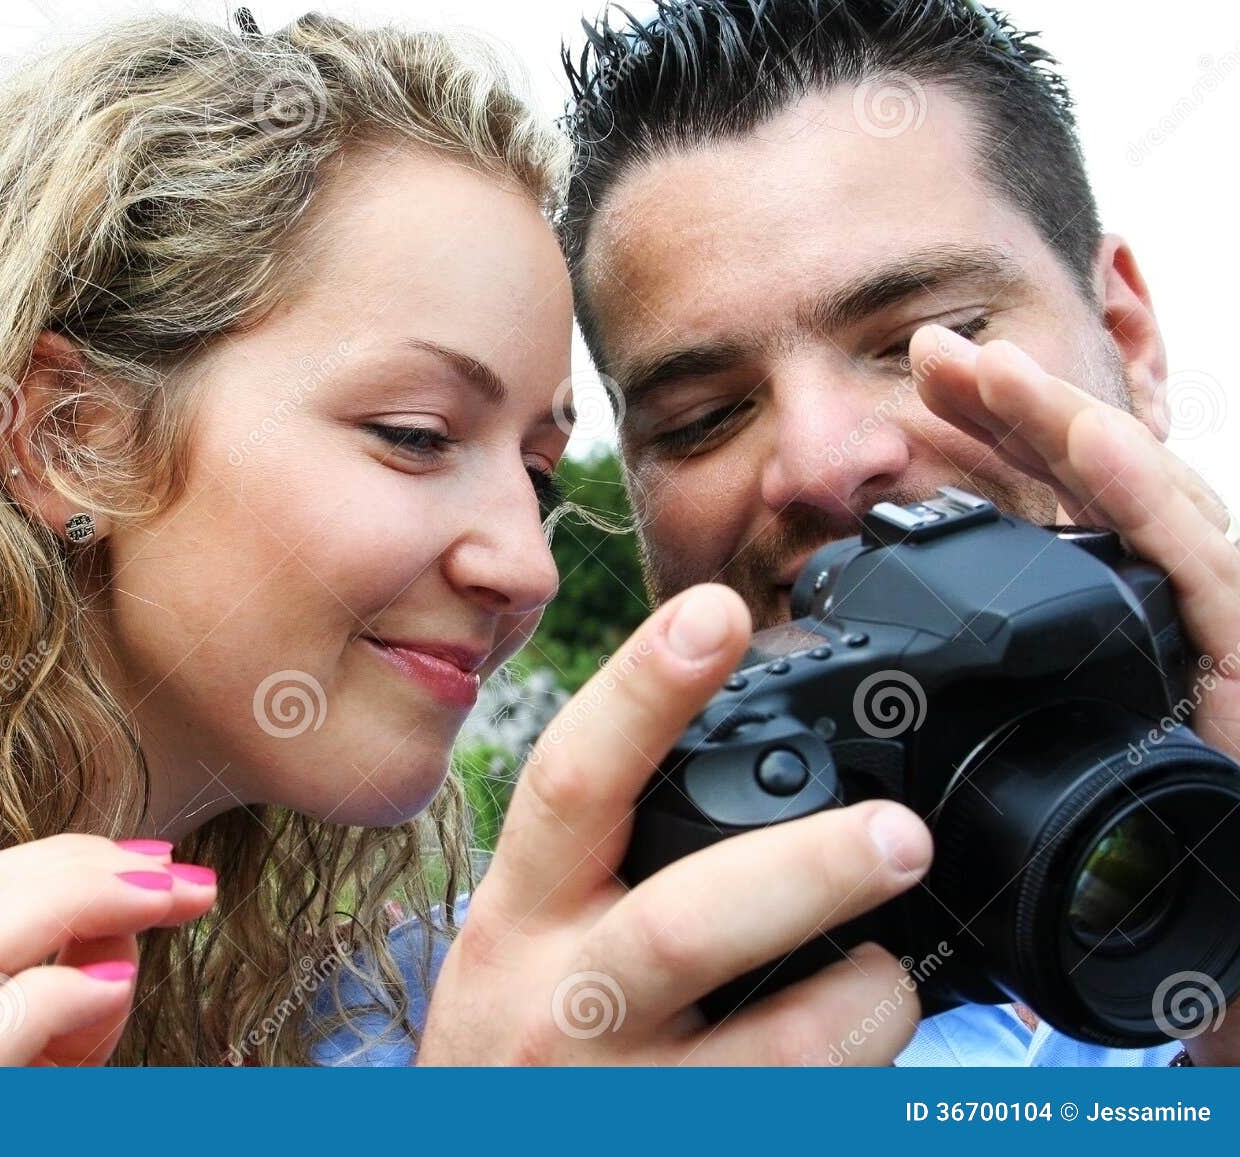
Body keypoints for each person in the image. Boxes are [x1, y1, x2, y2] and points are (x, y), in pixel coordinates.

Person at [0, 9, 584, 1065]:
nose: (529, 565)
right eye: (416, 434)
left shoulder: (249, 995)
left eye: (538, 476)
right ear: (68, 437)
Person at [380, 0, 1240, 1067]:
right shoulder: (421, 1028)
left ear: (1129, 341)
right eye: (702, 418)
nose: (823, 461)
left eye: (930, 338)